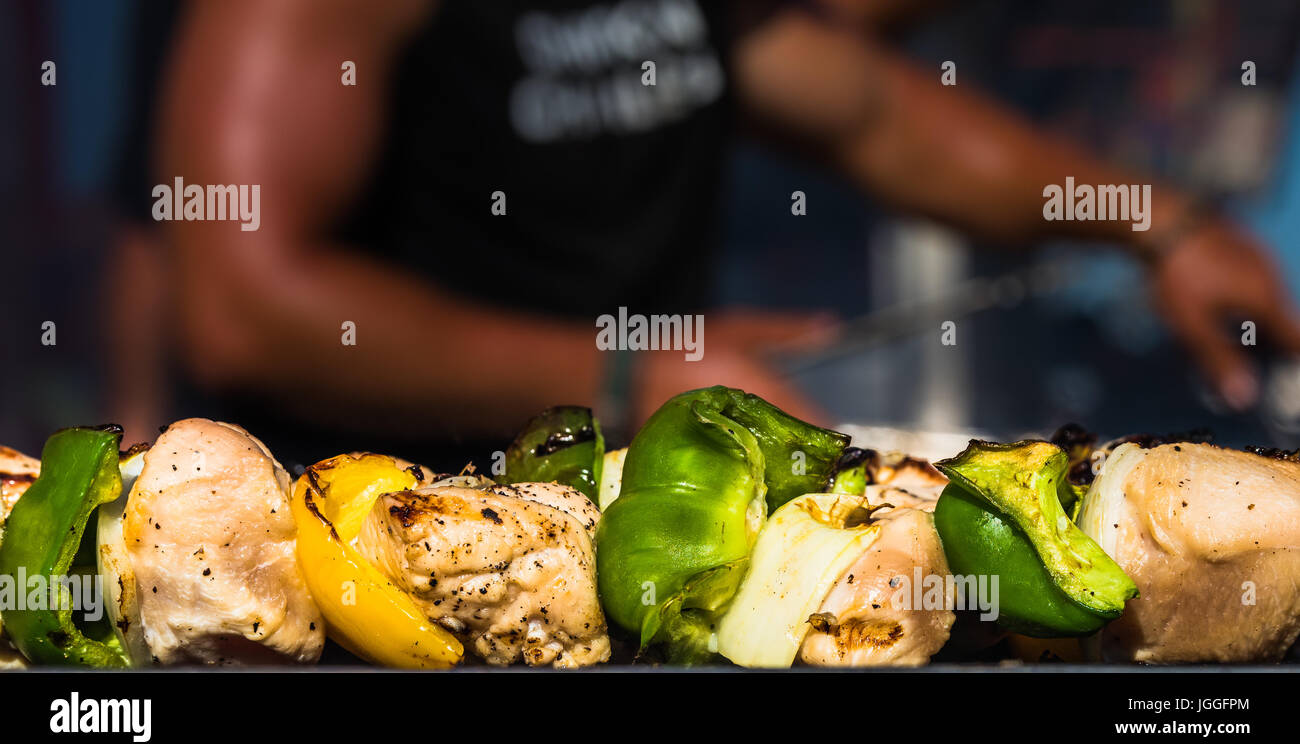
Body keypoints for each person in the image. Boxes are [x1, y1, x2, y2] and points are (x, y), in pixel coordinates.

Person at [110, 0, 1300, 468]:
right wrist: (631, 371)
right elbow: (242, 309)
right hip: (362, 540)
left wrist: (1154, 218)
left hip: (636, 517)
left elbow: (876, 112)